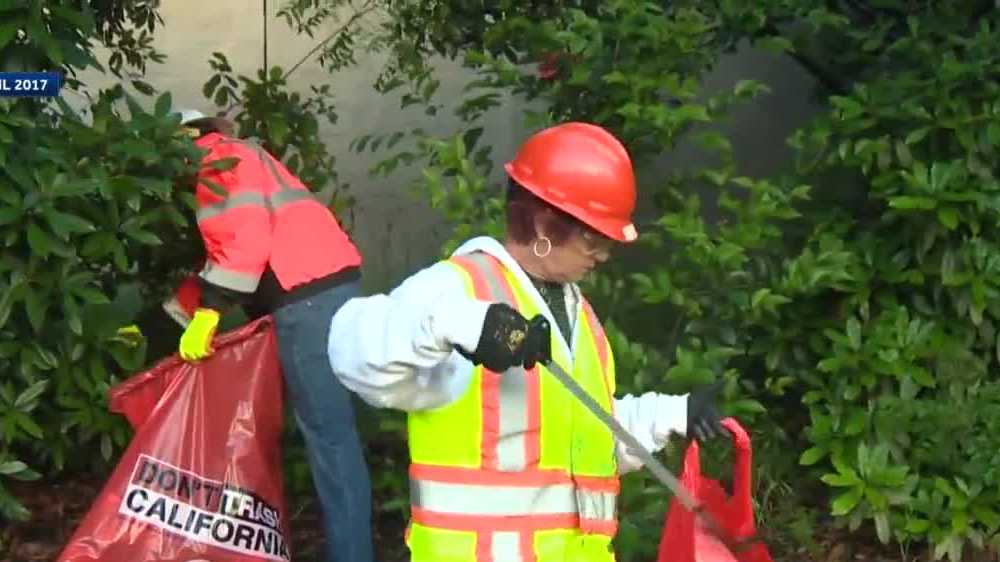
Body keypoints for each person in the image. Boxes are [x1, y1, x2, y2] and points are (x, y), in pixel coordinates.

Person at [326, 122, 725, 561]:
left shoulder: (578, 315)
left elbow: (586, 435)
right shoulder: (462, 290)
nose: (604, 255)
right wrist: (464, 324)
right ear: (541, 223)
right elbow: (352, 349)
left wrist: (671, 414)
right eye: (593, 238)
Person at [164, 109, 374, 562]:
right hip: (328, 287)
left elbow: (246, 241)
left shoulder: (216, 164)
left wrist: (209, 313)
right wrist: (181, 309)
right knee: (334, 435)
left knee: (330, 438)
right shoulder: (243, 156)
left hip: (305, 299)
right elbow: (231, 247)